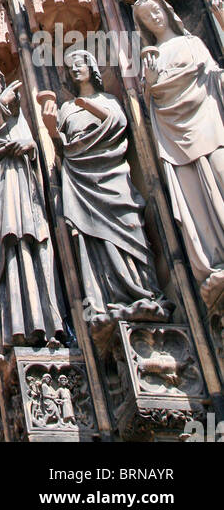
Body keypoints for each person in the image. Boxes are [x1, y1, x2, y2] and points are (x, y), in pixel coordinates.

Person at [40, 48, 169, 329]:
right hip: (80, 179)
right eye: (70, 67)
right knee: (91, 238)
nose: (75, 70)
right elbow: (61, 147)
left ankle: (143, 289)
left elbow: (119, 123)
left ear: (92, 68)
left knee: (129, 225)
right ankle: (103, 298)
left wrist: (87, 105)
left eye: (80, 64)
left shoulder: (106, 100)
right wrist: (51, 127)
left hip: (112, 174)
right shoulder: (67, 109)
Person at [0, 64, 64, 350]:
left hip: (23, 191)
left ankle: (42, 323)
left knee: (32, 245)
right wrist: (2, 104)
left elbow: (35, 148)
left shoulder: (19, 117)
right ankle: (14, 326)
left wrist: (28, 146)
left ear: (2, 79)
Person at [132, 0, 224, 304]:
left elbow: (215, 77)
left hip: (209, 118)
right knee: (194, 197)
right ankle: (213, 261)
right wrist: (151, 76)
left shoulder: (192, 43)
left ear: (167, 11)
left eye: (156, 11)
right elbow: (152, 100)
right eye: (146, 17)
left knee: (221, 173)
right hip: (176, 135)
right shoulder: (152, 56)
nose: (154, 18)